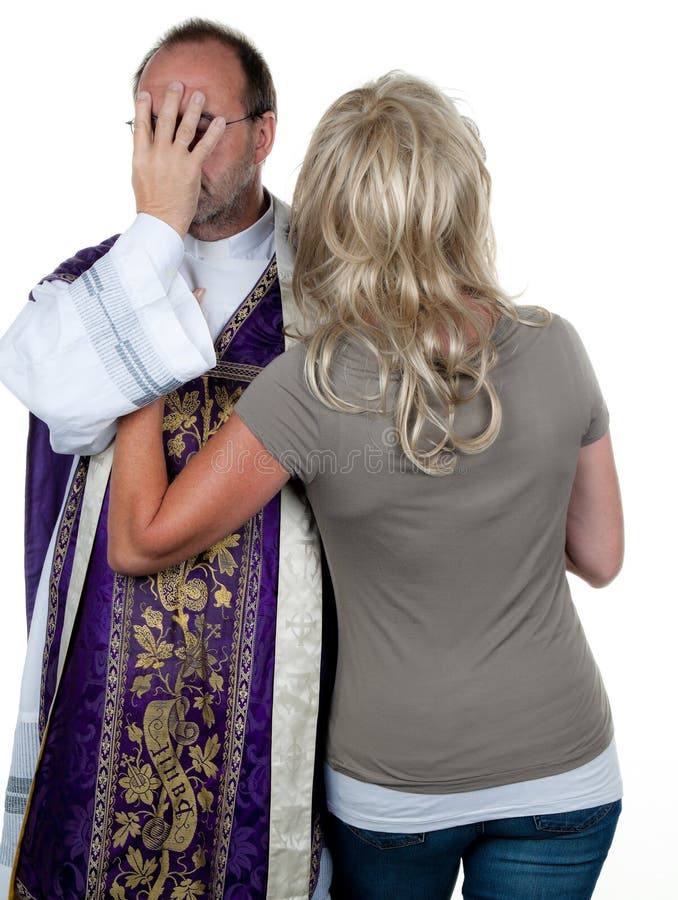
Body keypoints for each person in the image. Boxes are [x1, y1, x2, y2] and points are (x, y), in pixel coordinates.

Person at [108, 72, 625, 900]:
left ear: (335, 214)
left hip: (395, 792)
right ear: (462, 195)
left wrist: (144, 367)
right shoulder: (556, 344)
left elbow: (140, 540)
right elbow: (599, 557)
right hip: (564, 774)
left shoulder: (309, 387)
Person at [0, 18, 331, 900]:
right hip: (105, 698)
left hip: (270, 706)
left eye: (197, 122)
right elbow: (44, 384)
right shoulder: (93, 284)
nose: (175, 148)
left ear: (264, 134)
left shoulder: (333, 290)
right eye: (154, 124)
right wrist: (154, 233)